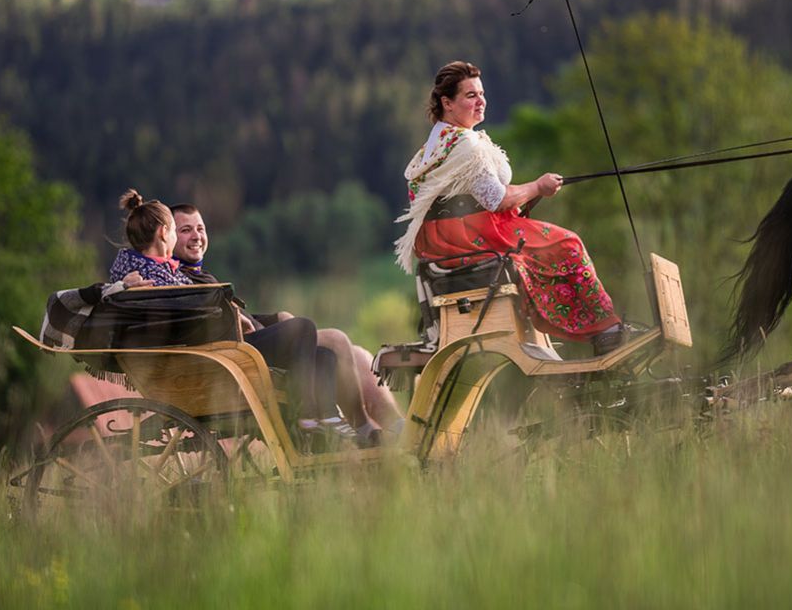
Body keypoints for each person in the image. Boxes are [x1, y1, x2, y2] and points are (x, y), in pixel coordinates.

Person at [394, 61, 631, 356]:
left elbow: (480, 196)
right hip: (464, 238)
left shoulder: (434, 146)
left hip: (443, 241)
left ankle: (594, 328)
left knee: (550, 244)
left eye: (481, 93)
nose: (481, 101)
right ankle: (603, 330)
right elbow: (497, 200)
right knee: (567, 244)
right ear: (447, 103)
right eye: (470, 96)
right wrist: (537, 187)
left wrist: (528, 195)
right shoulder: (466, 145)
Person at [112, 189, 355, 438]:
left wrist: (232, 313)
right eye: (178, 230)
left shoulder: (149, 271)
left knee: (324, 355)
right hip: (218, 353)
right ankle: (308, 416)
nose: (185, 236)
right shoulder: (152, 278)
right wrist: (229, 314)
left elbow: (190, 306)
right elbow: (187, 311)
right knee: (302, 328)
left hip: (219, 345)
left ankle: (329, 419)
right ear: (165, 233)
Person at [169, 202, 403, 444]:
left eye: (200, 228)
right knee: (332, 338)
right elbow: (205, 318)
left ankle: (343, 426)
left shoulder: (196, 274)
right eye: (186, 230)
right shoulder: (175, 278)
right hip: (236, 356)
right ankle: (357, 425)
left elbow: (234, 313)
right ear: (168, 236)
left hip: (249, 342)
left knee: (327, 352)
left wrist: (273, 319)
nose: (196, 236)